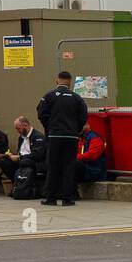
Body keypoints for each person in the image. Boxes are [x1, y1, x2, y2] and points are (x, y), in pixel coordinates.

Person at [37, 70, 88, 206]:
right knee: (68, 166)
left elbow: (41, 113)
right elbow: (83, 116)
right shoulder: (77, 98)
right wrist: (75, 129)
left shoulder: (49, 96)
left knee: (53, 166)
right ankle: (67, 198)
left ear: (57, 80)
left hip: (54, 136)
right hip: (71, 137)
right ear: (70, 82)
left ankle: (51, 198)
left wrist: (49, 128)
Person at [0, 115, 46, 189]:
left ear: (25, 125)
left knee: (24, 161)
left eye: (18, 128)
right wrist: (11, 155)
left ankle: (24, 185)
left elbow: (37, 155)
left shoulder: (38, 137)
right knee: (3, 161)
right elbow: (20, 152)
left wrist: (19, 157)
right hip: (22, 160)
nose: (17, 131)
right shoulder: (21, 138)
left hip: (34, 162)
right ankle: (17, 183)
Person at [74, 121, 108, 192]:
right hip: (86, 169)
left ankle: (72, 193)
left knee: (72, 164)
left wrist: (73, 157)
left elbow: (91, 155)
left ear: (87, 125)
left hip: (93, 172)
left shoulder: (95, 138)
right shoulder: (80, 138)